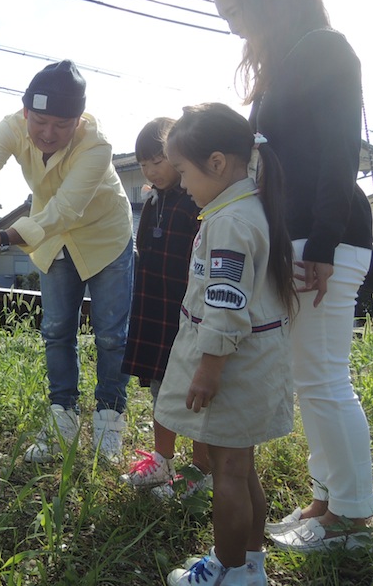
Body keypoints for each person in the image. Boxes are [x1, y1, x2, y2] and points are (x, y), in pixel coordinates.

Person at [211, 0, 373, 552]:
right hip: (301, 236)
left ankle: (354, 517)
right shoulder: (289, 60)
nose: (232, 25)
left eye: (235, 11)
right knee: (313, 379)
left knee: (327, 379)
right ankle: (325, 503)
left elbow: (339, 154)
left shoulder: (327, 49)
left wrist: (324, 246)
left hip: (325, 237)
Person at [0, 60, 134, 464]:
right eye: (39, 121)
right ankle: (61, 418)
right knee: (55, 329)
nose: (48, 134)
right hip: (51, 240)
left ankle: (109, 420)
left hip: (104, 237)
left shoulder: (96, 144)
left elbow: (65, 211)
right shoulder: (10, 128)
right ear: (25, 113)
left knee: (111, 336)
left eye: (61, 124)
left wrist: (1, 238)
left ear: (78, 120)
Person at [156, 103, 296, 586]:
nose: (181, 182)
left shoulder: (230, 223)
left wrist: (208, 369)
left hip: (232, 365)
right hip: (252, 358)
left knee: (228, 472)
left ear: (217, 164)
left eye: (182, 171)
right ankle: (249, 568)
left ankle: (226, 569)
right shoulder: (241, 209)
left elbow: (225, 303)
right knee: (242, 466)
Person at [120, 117, 211, 500]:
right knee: (162, 389)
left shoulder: (197, 200)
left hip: (187, 310)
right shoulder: (152, 199)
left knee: (196, 396)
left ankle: (200, 472)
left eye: (158, 160)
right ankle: (163, 460)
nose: (151, 170)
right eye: (143, 164)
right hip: (154, 307)